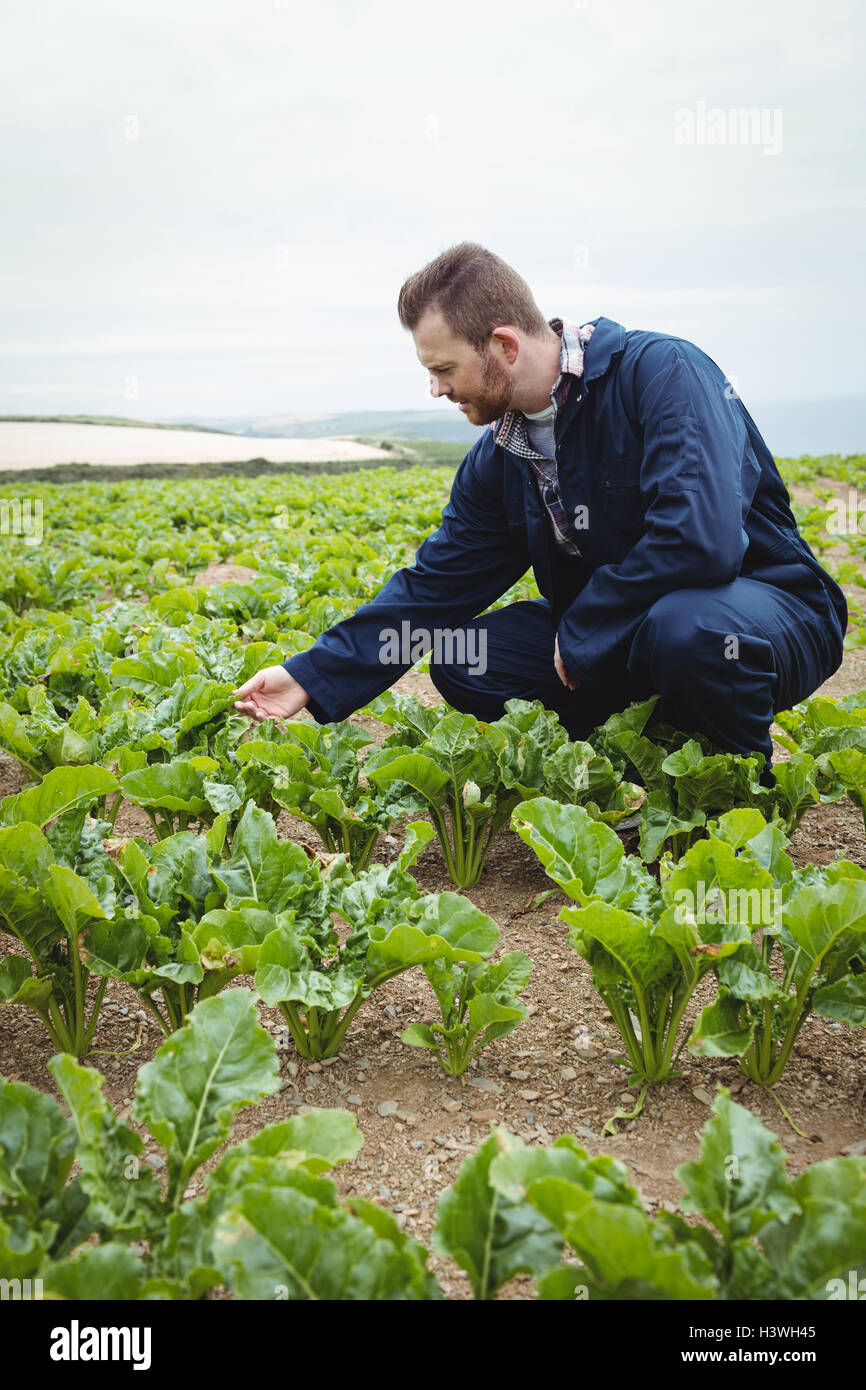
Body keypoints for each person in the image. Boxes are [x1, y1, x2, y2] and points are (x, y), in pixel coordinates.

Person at [231, 242, 847, 768]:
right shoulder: (502, 453)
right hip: (629, 635)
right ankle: (638, 762)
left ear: (502, 345)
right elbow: (435, 588)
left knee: (686, 628)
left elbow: (701, 541)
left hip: (765, 611)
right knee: (461, 656)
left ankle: (726, 792)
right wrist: (311, 675)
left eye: (444, 368)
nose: (435, 388)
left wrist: (583, 627)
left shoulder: (662, 374)